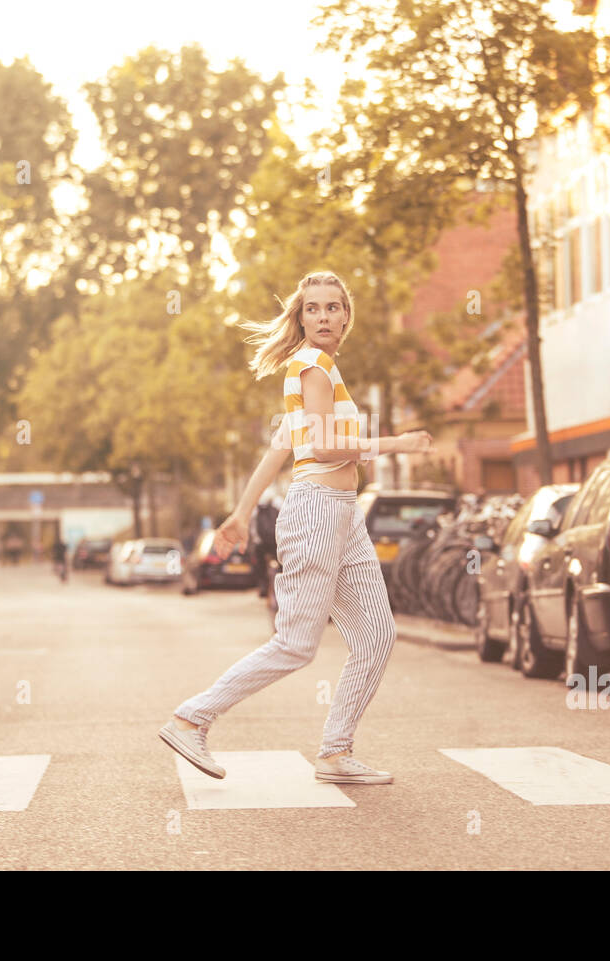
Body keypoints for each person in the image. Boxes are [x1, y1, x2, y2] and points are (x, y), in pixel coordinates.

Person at [159, 270, 432, 785]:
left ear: (346, 315)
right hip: (317, 513)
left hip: (343, 514)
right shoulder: (312, 367)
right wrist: (398, 443)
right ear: (301, 317)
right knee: (296, 644)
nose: (324, 316)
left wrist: (241, 513)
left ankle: (334, 752)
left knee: (376, 636)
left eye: (333, 307)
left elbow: (279, 449)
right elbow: (325, 450)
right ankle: (191, 717)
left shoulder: (317, 369)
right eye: (313, 309)